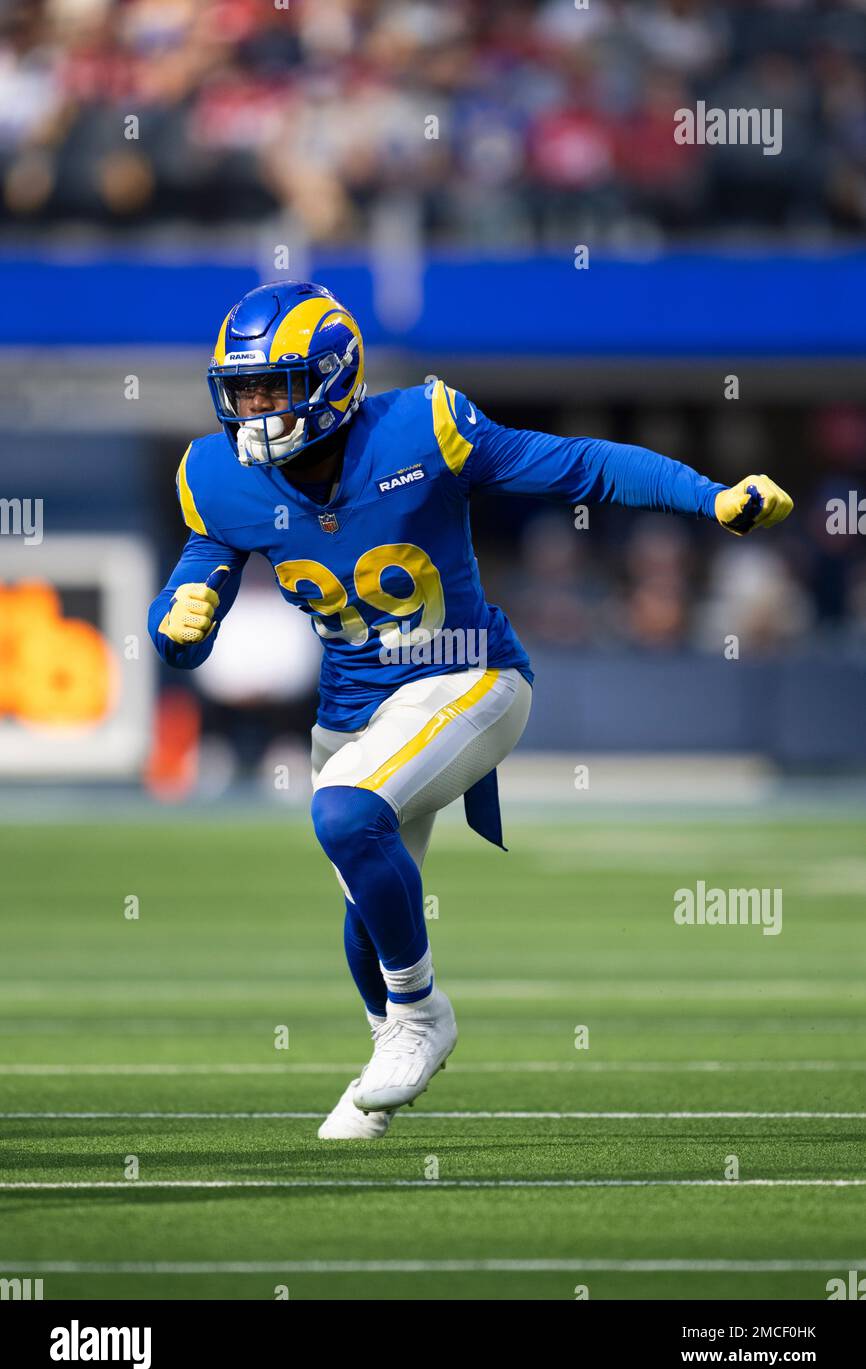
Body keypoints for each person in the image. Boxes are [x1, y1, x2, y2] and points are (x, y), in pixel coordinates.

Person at [148, 279, 793, 1139]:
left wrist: (708, 497)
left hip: (469, 674)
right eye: (245, 391)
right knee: (368, 905)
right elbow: (193, 599)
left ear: (336, 380)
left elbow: (582, 464)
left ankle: (419, 1019)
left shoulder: (424, 427)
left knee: (343, 814)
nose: (258, 409)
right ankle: (387, 1042)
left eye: (278, 386)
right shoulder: (216, 477)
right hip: (353, 706)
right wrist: (175, 625)